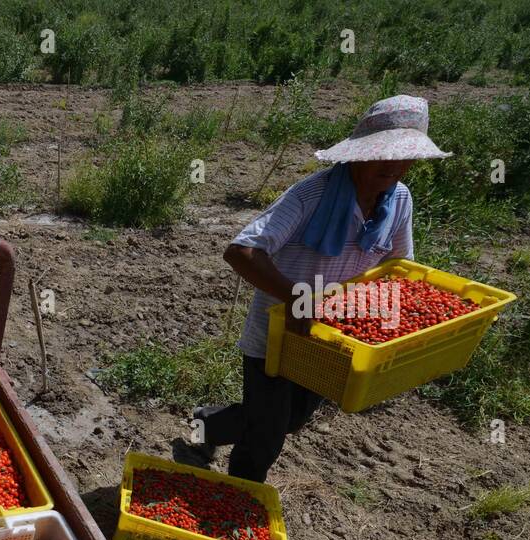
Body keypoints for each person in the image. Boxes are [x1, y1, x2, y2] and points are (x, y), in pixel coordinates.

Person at [192, 95, 451, 483]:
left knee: (292, 420)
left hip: (331, 337)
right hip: (280, 335)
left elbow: (398, 269)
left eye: (406, 156)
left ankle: (206, 425)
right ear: (361, 153)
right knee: (265, 438)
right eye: (386, 154)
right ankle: (240, 500)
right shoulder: (310, 196)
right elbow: (242, 252)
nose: (396, 166)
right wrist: (298, 297)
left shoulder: (398, 200)